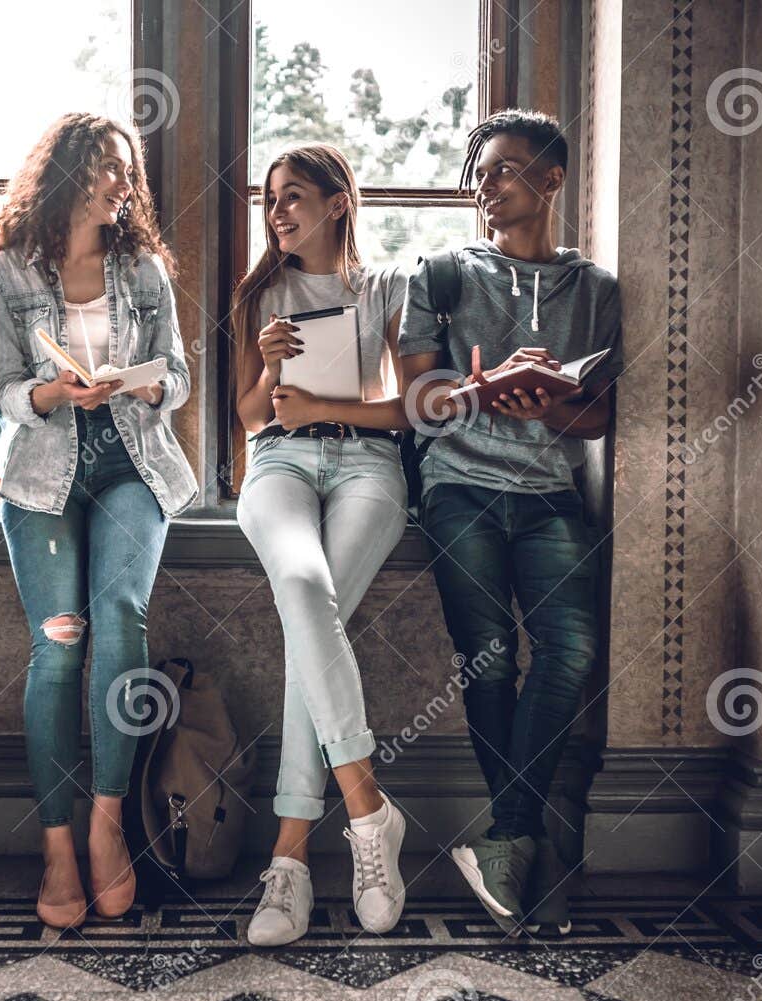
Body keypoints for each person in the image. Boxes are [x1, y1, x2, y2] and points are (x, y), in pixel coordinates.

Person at [397, 109, 622, 935]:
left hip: (552, 496)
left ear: (551, 180)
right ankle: (520, 843)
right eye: (481, 173)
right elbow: (417, 402)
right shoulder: (444, 274)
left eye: (502, 170)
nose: (486, 186)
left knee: (572, 651)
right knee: (489, 663)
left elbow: (596, 419)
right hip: (459, 491)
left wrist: (550, 403)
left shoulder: (595, 290)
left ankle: (508, 838)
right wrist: (482, 391)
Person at [0, 113, 197, 929]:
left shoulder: (141, 267)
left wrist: (140, 385)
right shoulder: (6, 271)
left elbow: (177, 376)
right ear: (67, 172)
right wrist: (53, 393)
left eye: (127, 170)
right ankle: (58, 846)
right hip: (43, 472)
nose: (122, 182)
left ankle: (108, 826)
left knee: (119, 616)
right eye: (107, 166)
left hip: (133, 464)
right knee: (60, 639)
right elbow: (0, 387)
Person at [232, 144, 412, 945]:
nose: (277, 213)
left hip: (369, 463)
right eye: (270, 200)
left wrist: (329, 411)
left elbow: (413, 409)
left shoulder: (390, 287)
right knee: (304, 591)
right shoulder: (260, 293)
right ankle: (369, 811)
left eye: (294, 196)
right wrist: (270, 381)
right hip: (279, 460)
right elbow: (244, 419)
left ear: (340, 202)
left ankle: (292, 857)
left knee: (313, 631)